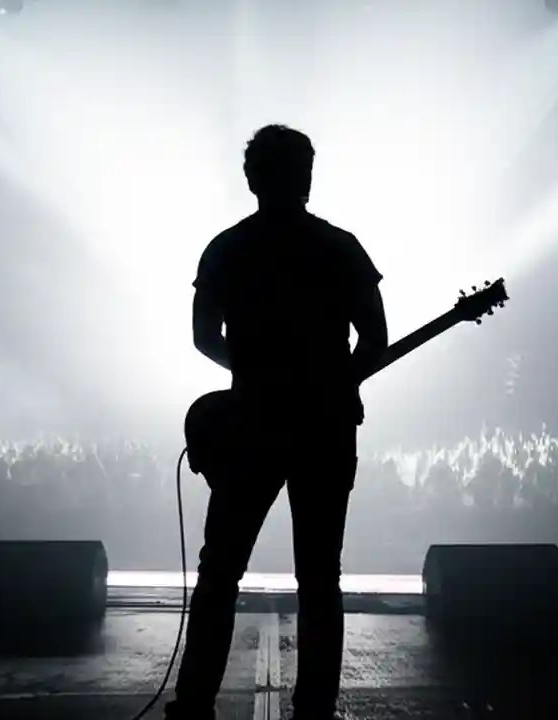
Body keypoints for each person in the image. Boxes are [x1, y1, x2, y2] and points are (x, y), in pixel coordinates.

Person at [164, 125, 388, 720]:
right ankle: (314, 709)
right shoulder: (340, 247)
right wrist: (333, 379)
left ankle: (193, 704)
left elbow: (202, 337)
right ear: (307, 176)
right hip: (325, 429)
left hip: (251, 426)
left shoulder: (227, 248)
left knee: (220, 572)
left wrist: (259, 373)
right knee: (319, 579)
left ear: (251, 178)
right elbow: (376, 341)